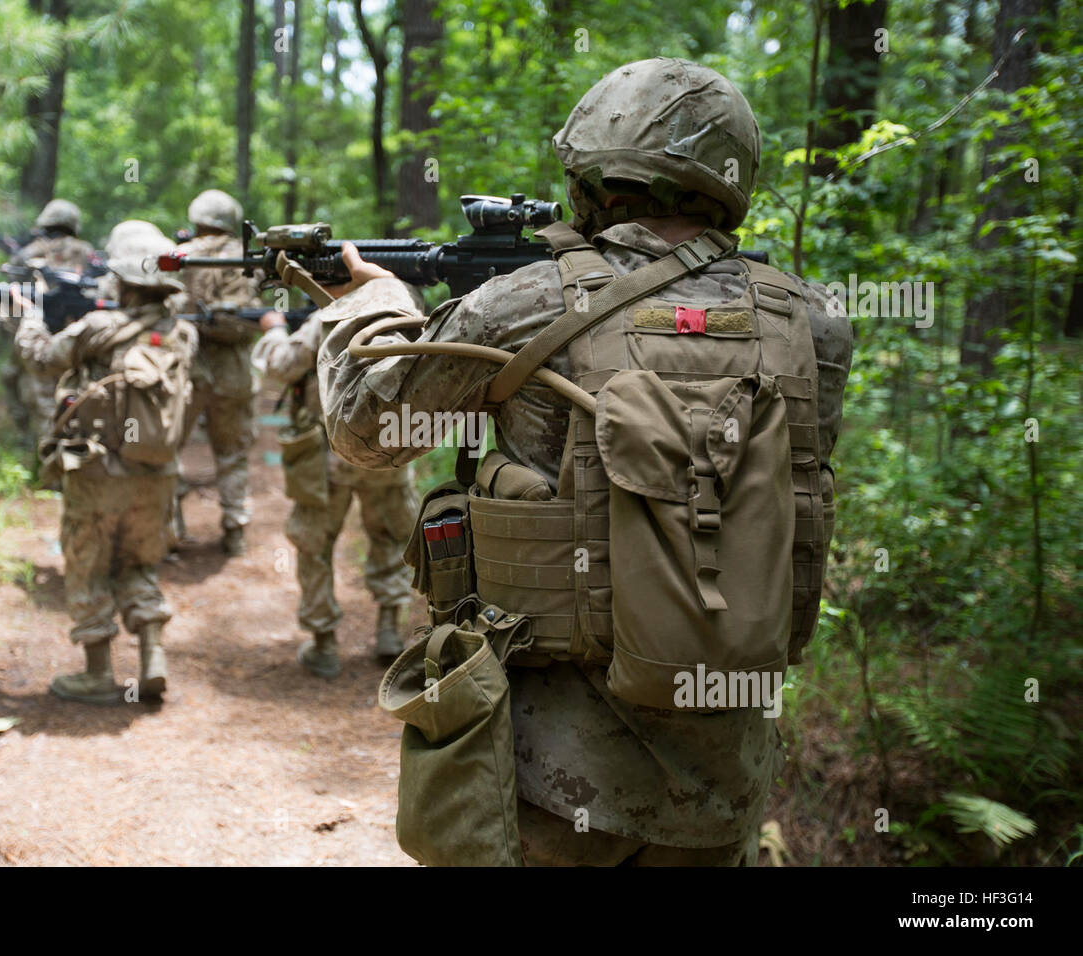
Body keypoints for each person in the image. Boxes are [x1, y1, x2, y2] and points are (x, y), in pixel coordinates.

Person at [316, 59, 852, 865]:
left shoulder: (527, 302)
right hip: (723, 783)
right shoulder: (813, 323)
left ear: (593, 175)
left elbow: (367, 432)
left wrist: (377, 304)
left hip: (552, 777)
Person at [13, 224, 197, 704]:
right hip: (157, 475)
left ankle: (97, 675)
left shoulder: (97, 330)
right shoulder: (184, 334)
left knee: (89, 566)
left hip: (97, 474)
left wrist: (29, 314)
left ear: (122, 280)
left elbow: (39, 357)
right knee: (139, 564)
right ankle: (152, 658)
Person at [252, 307, 418, 678]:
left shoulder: (327, 318)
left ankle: (324, 643)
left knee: (314, 544)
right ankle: (389, 630)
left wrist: (276, 330)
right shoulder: (404, 305)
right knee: (390, 536)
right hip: (388, 447)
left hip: (328, 453)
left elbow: (280, 367)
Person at [169, 189, 263, 556]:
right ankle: (234, 530)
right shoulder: (243, 257)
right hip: (233, 369)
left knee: (169, 449)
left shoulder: (180, 255)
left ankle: (171, 531)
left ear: (197, 218)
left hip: (186, 366)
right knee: (233, 453)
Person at [2, 199, 97, 449]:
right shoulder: (86, 251)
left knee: (18, 381)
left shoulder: (28, 253)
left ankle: (32, 442)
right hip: (76, 333)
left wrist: (18, 327)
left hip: (36, 330)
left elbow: (14, 295)